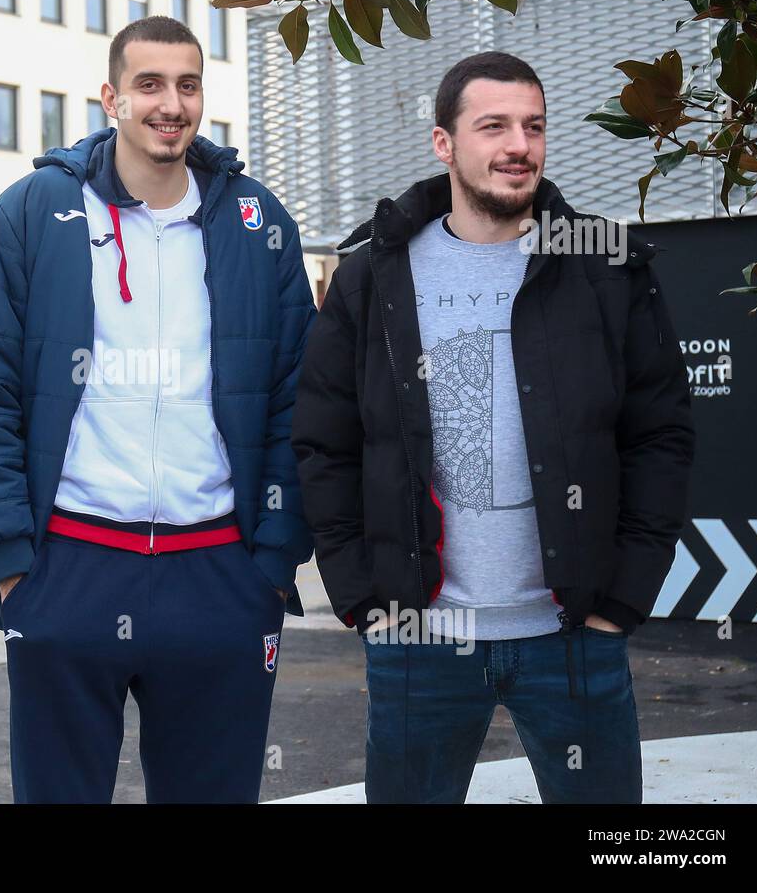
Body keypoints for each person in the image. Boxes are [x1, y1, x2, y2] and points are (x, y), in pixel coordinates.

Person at [293, 51, 694, 803]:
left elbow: (659, 436)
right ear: (444, 143)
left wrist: (622, 601)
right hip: (419, 638)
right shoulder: (374, 274)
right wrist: (361, 599)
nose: (520, 145)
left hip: (574, 633)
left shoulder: (605, 265)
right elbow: (325, 443)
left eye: (534, 126)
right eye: (494, 126)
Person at [0, 16, 316, 803]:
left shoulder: (259, 223)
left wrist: (273, 563)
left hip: (220, 575)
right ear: (111, 97)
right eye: (149, 84)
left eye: (188, 84)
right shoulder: (33, 212)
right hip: (67, 572)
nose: (170, 103)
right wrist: (12, 562)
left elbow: (301, 401)